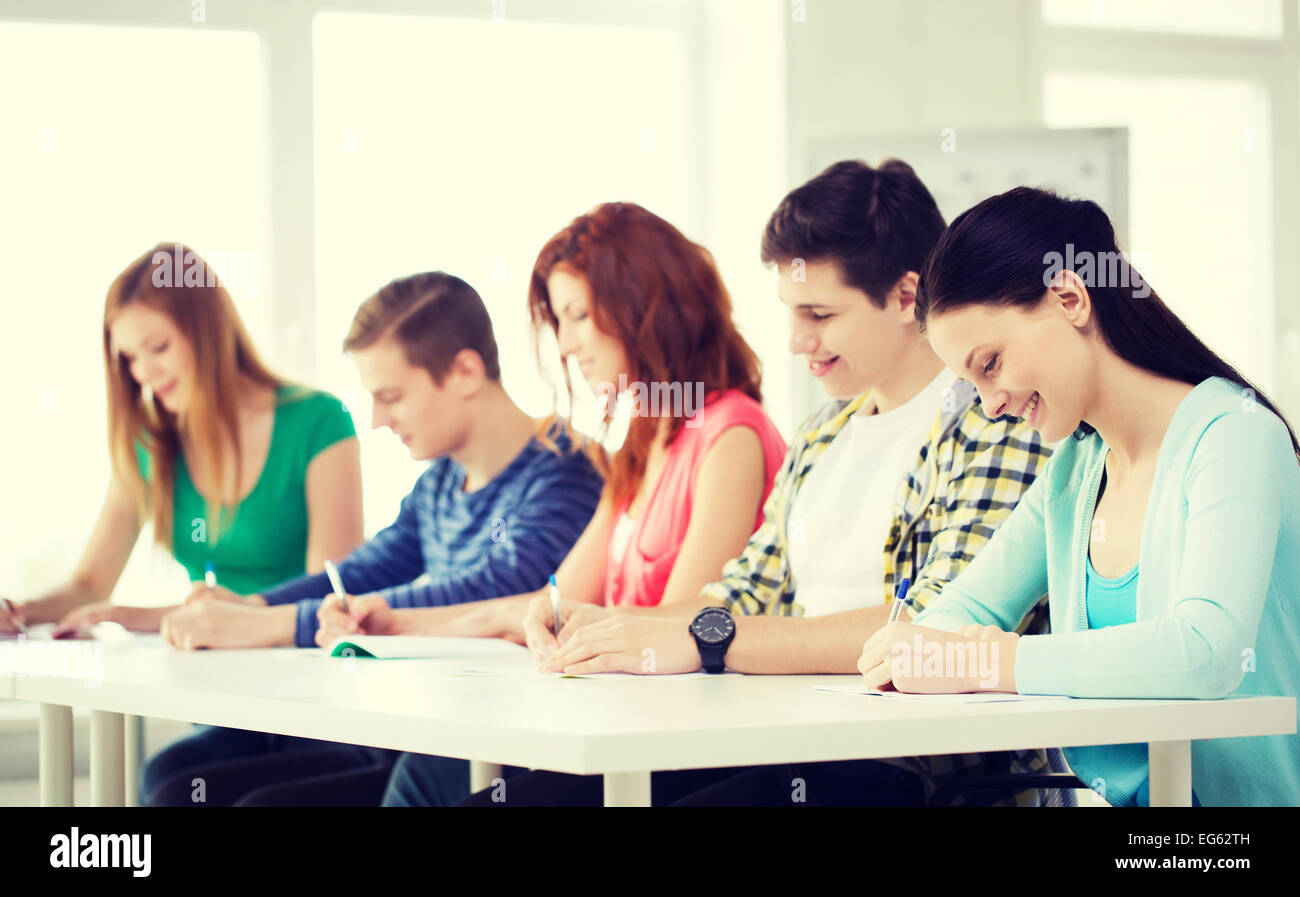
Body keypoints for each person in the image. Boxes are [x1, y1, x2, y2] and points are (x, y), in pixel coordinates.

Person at [459, 161, 1061, 807]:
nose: (799, 340)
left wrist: (707, 638)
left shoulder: (996, 419)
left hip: (909, 771)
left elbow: (932, 626)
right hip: (784, 741)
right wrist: (610, 627)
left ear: (906, 295)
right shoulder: (821, 436)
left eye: (820, 313)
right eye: (792, 313)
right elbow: (740, 594)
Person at [859, 185, 1300, 807]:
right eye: (970, 383)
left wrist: (991, 663)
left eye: (990, 364)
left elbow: (1206, 653)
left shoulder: (1235, 437)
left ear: (1070, 297)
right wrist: (918, 647)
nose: (991, 404)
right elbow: (958, 614)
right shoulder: (1075, 469)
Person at [348, 203, 788, 806]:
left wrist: (562, 620)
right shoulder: (641, 443)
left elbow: (691, 623)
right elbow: (556, 600)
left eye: (579, 315)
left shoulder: (730, 434)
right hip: (615, 721)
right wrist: (397, 623)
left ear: (647, 304)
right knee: (430, 771)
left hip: (672, 745)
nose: (569, 342)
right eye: (560, 319)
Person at [142, 271, 606, 806]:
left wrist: (273, 624)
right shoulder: (437, 485)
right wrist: (252, 604)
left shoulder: (565, 470)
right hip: (429, 731)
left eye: (390, 397)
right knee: (179, 782)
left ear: (464, 372)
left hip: (510, 750)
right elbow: (360, 572)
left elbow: (498, 587)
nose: (377, 419)